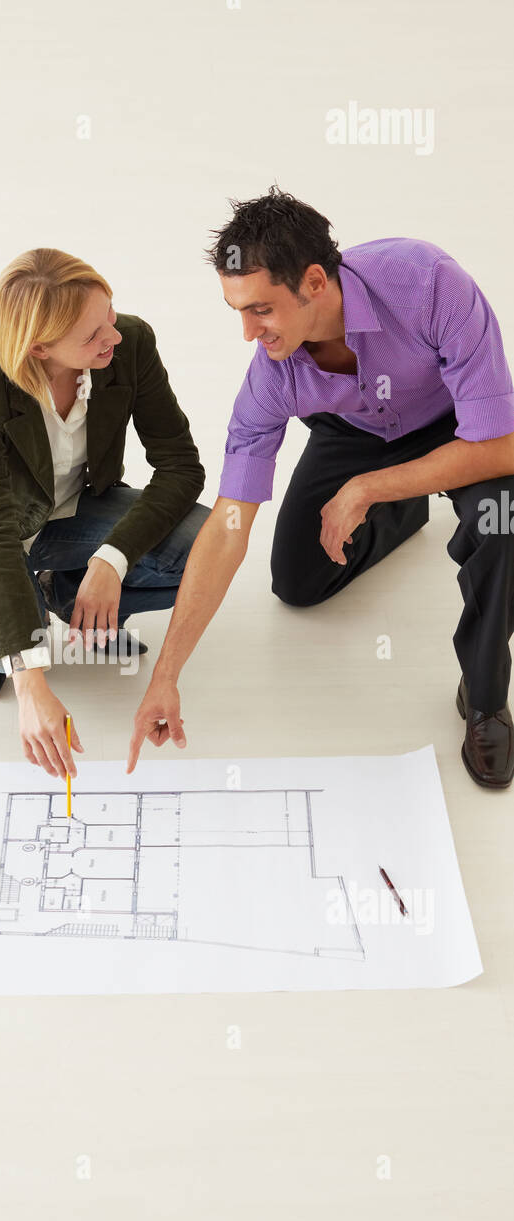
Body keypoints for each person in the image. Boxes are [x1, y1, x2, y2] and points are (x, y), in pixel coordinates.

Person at [128, 187, 514, 789]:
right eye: (237, 312)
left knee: (501, 520)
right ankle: (404, 509)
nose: (249, 333)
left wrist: (366, 488)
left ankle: (487, 697)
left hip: (453, 426)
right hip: (356, 428)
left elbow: (501, 445)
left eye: (261, 309)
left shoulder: (429, 281)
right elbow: (230, 521)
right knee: (299, 582)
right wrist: (167, 675)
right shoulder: (272, 378)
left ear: (313, 282)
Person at [0, 248, 210, 779]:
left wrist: (112, 560)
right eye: (93, 335)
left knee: (208, 547)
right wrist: (29, 682)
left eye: (109, 317)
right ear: (40, 347)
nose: (112, 338)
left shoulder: (130, 344)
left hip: (73, 514)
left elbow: (182, 469)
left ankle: (64, 595)